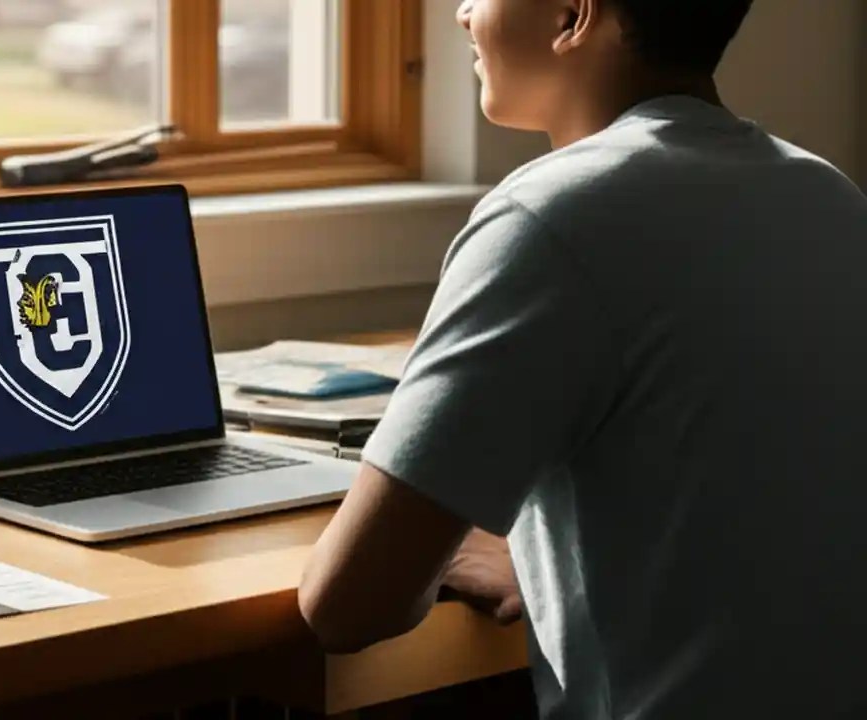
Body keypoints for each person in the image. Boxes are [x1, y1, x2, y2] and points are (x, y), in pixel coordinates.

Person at [298, 0, 867, 716]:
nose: (462, 13)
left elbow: (348, 604)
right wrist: (549, 573)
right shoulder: (829, 198)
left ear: (573, 15)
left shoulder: (553, 217)